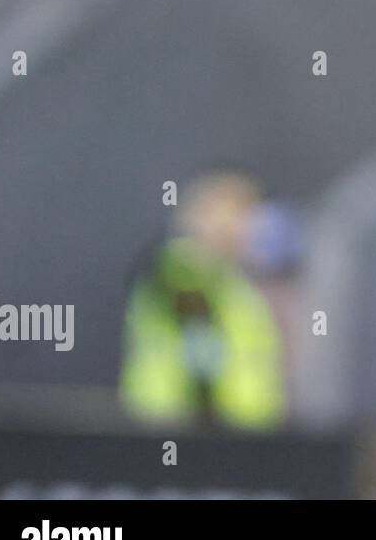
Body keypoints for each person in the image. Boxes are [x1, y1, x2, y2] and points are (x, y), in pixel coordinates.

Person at [120, 171, 285, 430]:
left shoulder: (243, 285)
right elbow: (183, 283)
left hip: (246, 430)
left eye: (245, 213)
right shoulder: (174, 268)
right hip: (169, 425)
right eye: (227, 213)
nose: (237, 225)